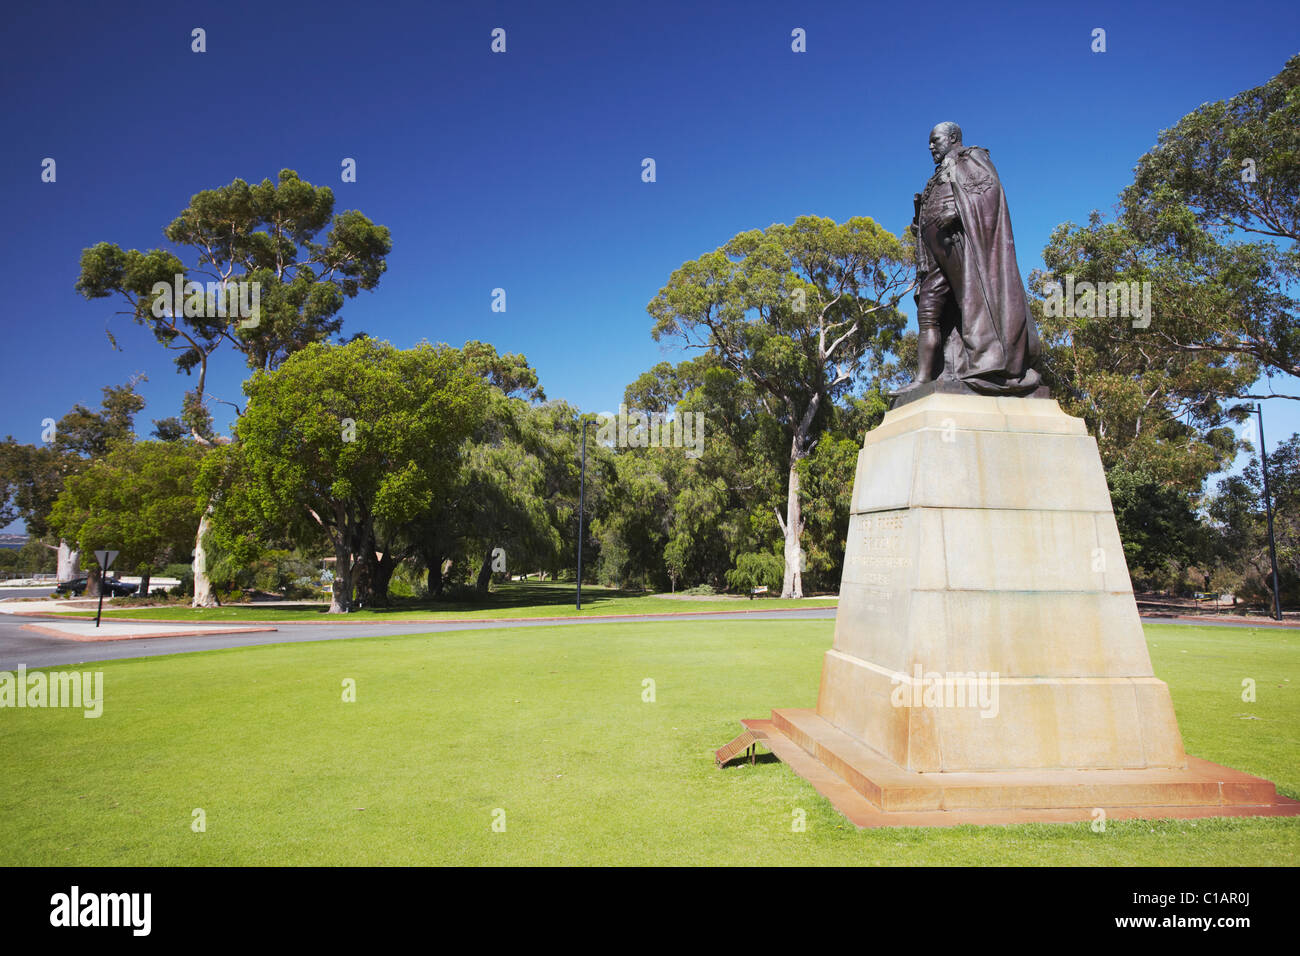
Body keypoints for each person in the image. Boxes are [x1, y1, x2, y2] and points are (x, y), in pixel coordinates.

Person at [895, 122, 1042, 397]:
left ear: (952, 138)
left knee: (970, 304)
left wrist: (958, 211)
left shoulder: (972, 157)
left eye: (934, 140)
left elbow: (990, 193)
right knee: (928, 311)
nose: (930, 147)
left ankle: (987, 364)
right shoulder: (938, 174)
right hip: (935, 257)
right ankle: (923, 378)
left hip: (960, 246)